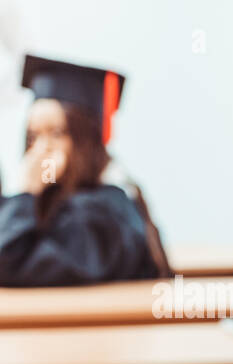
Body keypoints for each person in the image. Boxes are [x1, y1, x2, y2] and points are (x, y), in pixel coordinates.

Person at [0, 54, 168, 285]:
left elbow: (8, 266)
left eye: (56, 133)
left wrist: (25, 190)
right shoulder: (50, 205)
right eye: (33, 136)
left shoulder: (103, 216)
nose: (40, 150)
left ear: (86, 140)